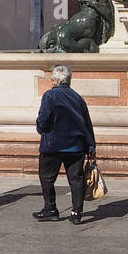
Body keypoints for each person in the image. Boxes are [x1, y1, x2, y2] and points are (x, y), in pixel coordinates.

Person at [34, 64, 97, 224]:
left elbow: (44, 118)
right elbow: (87, 122)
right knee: (76, 179)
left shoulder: (50, 95)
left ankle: (51, 208)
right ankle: (76, 212)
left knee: (47, 177)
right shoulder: (77, 97)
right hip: (76, 146)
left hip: (53, 145)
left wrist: (41, 128)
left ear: (55, 79)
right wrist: (91, 145)